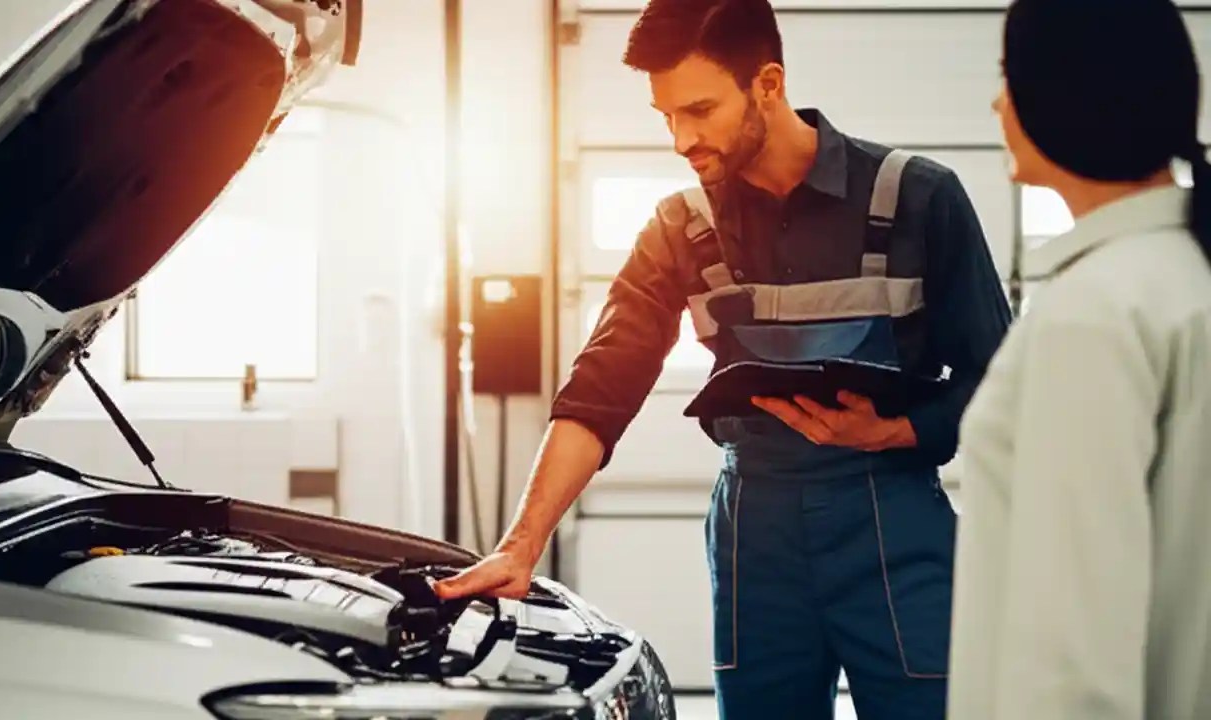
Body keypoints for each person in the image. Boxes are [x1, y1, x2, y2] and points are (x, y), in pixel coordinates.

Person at [436, 1, 1011, 717]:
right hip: (758, 532)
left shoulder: (919, 199)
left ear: (767, 83)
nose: (681, 138)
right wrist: (521, 546)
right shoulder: (680, 225)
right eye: (666, 115)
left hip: (892, 518)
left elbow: (1003, 384)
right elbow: (601, 387)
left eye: (699, 110)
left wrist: (893, 431)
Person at [948, 1, 1211, 718]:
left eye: (1009, 74)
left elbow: (1070, 664)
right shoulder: (1179, 277)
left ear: (1064, 88)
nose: (998, 100)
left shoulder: (1095, 312)